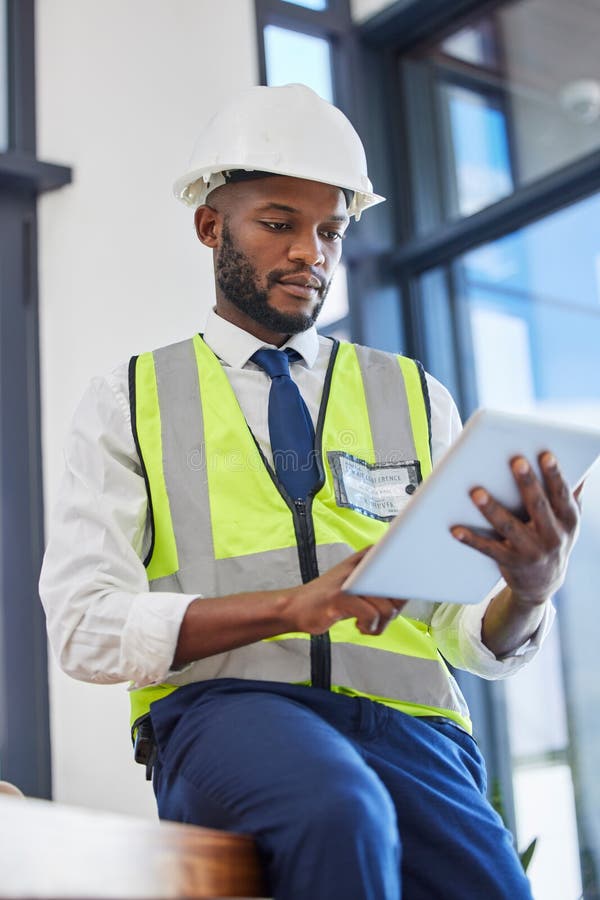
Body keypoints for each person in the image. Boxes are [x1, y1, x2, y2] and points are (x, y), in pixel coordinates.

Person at [40, 84, 580, 900]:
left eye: (330, 229)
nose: (311, 254)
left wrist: (530, 591)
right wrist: (287, 609)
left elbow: (464, 634)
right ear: (210, 226)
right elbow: (85, 627)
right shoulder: (130, 397)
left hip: (416, 730)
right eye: (280, 224)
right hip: (228, 718)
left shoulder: (412, 393)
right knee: (336, 810)